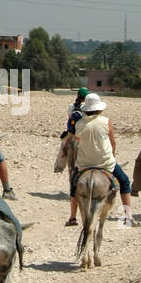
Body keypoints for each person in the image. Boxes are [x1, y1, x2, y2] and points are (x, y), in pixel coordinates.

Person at [70, 93, 133, 225]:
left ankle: (72, 217)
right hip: (105, 163)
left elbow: (76, 144)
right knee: (125, 182)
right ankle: (127, 217)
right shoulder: (106, 121)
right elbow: (113, 143)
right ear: (99, 108)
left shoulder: (79, 124)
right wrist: (113, 157)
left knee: (74, 186)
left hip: (84, 163)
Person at [62, 87, 89, 224]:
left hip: (72, 137)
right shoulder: (87, 107)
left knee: (67, 161)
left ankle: (71, 188)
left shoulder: (71, 106)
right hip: (83, 138)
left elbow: (69, 122)